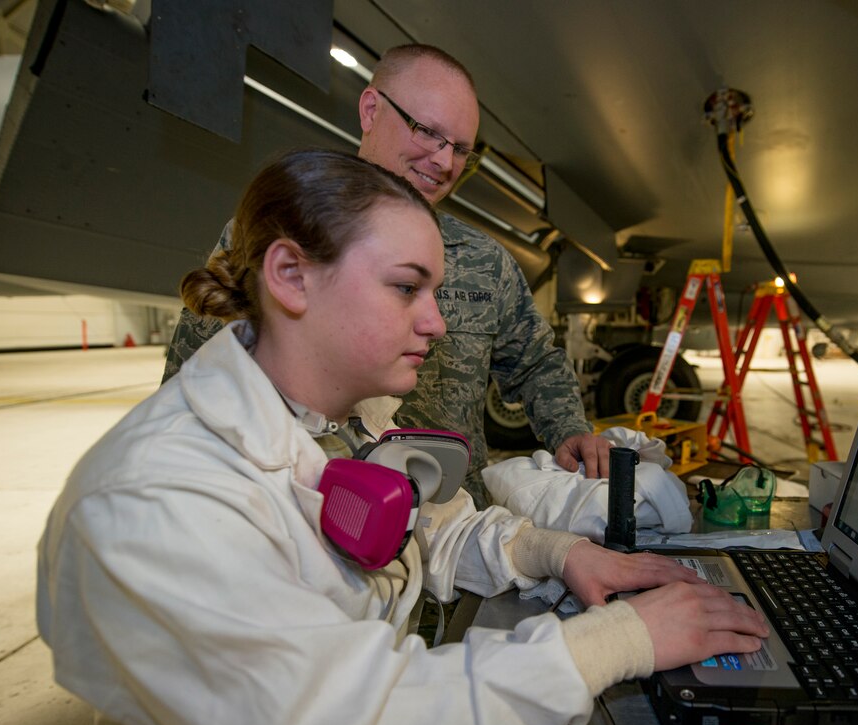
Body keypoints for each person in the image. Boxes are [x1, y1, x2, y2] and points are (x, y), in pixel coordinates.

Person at [38, 149, 769, 725]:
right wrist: (621, 639)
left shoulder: (332, 418)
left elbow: (428, 525)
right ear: (291, 275)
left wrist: (558, 551)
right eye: (406, 288)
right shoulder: (154, 500)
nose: (438, 323)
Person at [164, 44, 607, 507]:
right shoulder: (281, 234)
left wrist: (570, 431)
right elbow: (192, 383)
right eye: (428, 132)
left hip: (454, 527)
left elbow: (534, 361)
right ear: (371, 110)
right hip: (314, 518)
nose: (444, 161)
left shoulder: (485, 260)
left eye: (460, 149)